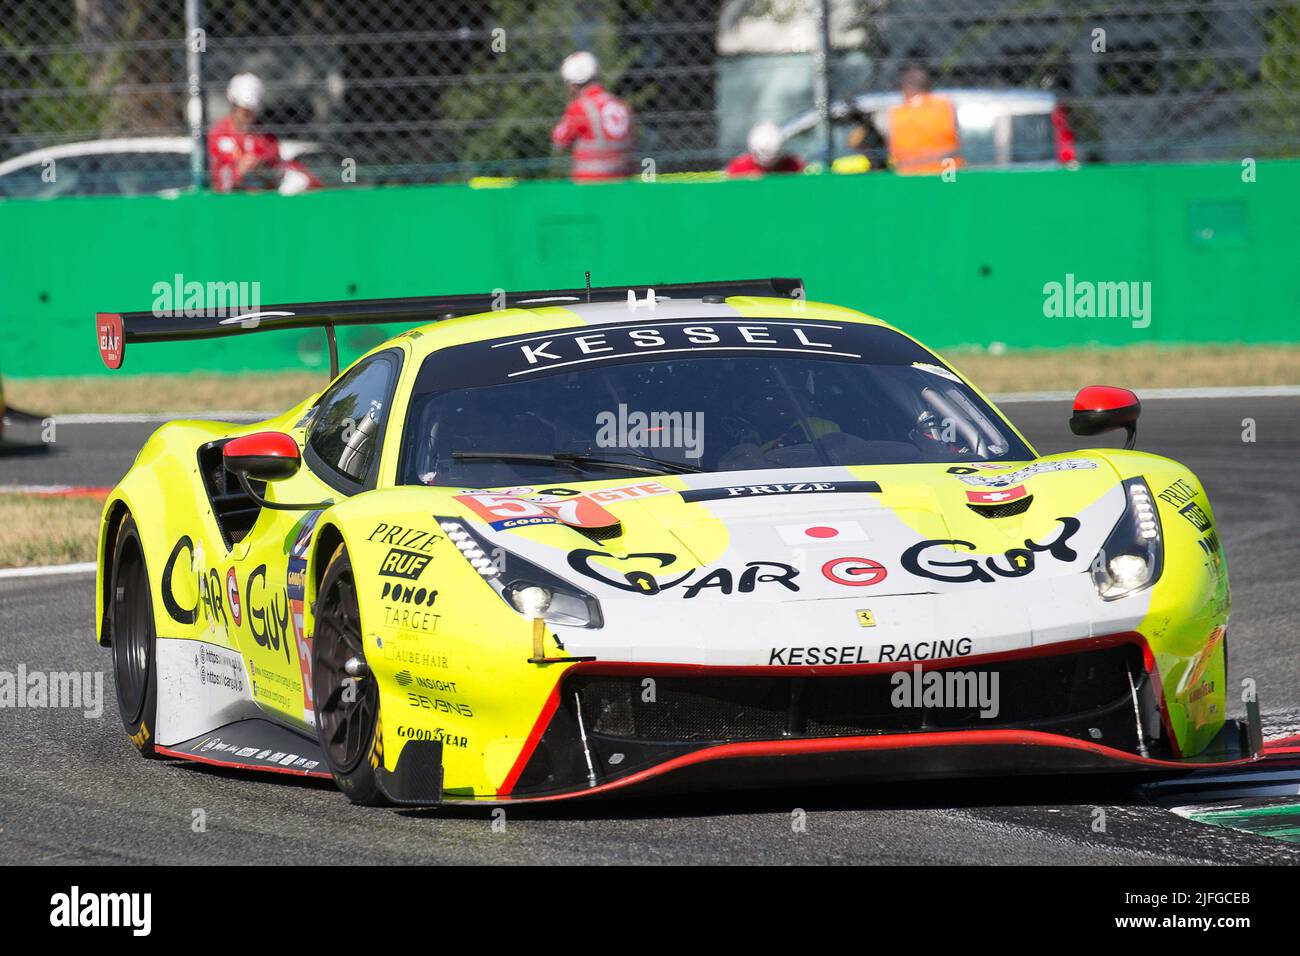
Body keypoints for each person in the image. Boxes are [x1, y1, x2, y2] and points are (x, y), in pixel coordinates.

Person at [551, 51, 635, 182]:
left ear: (572, 85)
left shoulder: (579, 108)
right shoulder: (621, 105)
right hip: (623, 181)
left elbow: (560, 140)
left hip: (591, 185)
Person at [885, 66, 964, 175]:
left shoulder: (894, 113)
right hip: (947, 175)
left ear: (904, 88)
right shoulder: (946, 106)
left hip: (909, 176)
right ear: (929, 87)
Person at [724, 121, 805, 177]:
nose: (768, 166)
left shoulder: (794, 166)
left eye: (773, 156)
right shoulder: (739, 169)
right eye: (762, 154)